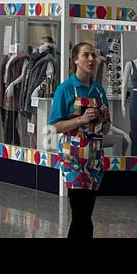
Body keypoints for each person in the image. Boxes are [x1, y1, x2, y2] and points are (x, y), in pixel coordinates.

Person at [49, 41, 110, 239]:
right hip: (73, 158)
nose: (91, 59)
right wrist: (81, 119)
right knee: (80, 215)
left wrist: (103, 119)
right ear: (76, 60)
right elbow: (55, 127)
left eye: (93, 55)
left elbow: (107, 128)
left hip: (94, 158)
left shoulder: (99, 91)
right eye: (86, 55)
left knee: (87, 213)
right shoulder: (65, 89)